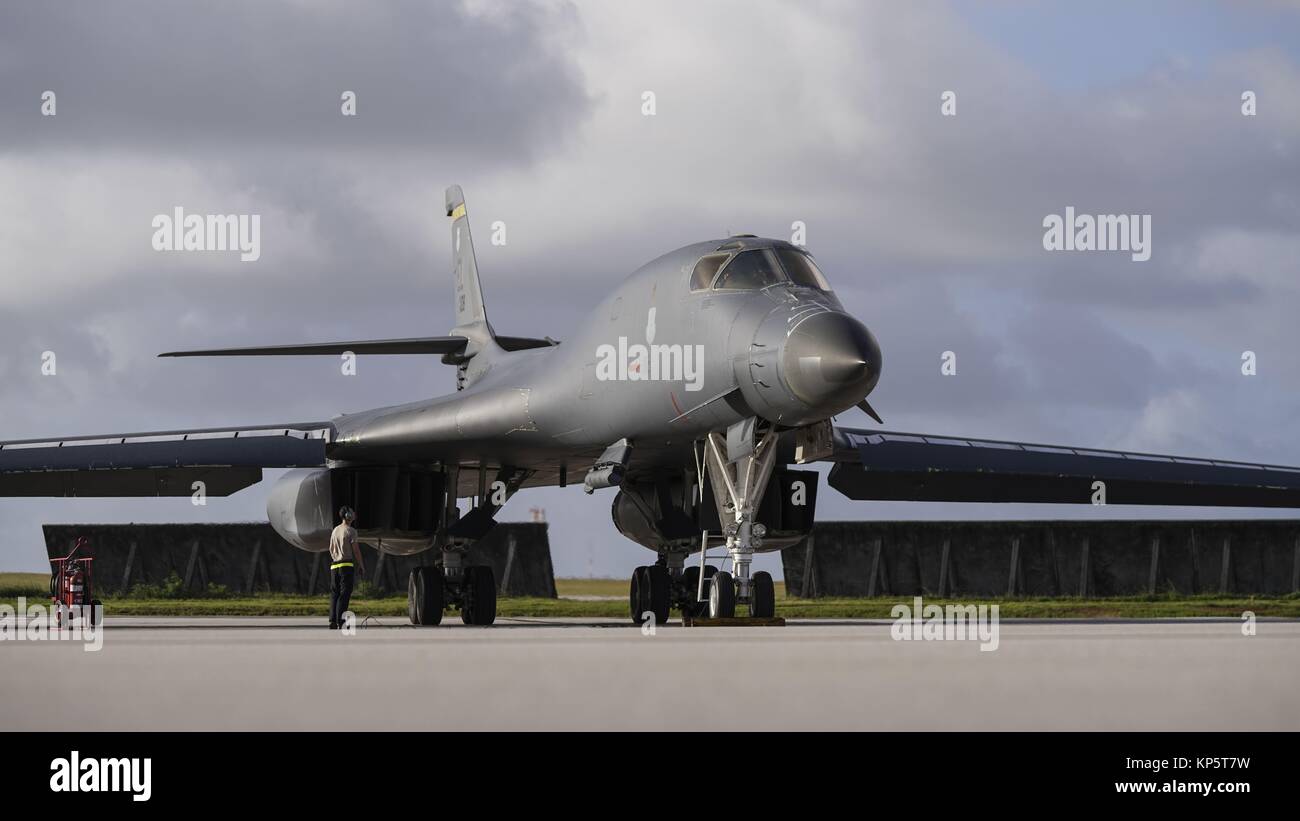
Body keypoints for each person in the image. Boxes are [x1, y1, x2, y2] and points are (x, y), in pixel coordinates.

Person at [328, 506, 365, 629]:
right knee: (345, 594)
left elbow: (330, 548)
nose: (354, 513)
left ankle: (332, 620)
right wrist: (361, 565)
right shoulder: (351, 531)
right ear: (348, 515)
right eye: (352, 512)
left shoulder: (335, 530)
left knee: (335, 594)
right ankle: (341, 621)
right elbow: (356, 550)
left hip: (334, 566)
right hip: (346, 566)